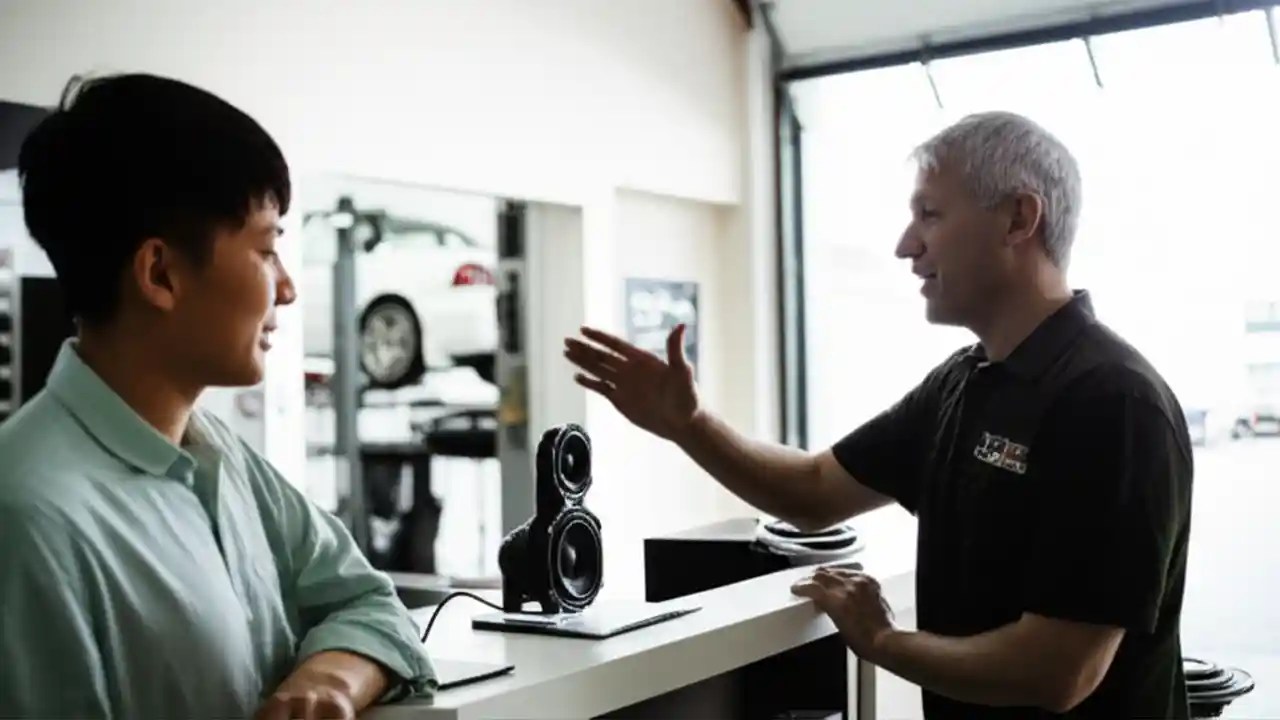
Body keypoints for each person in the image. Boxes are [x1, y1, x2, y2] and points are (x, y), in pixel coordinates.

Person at [564, 111, 1193, 719]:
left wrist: (883, 641)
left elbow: (1058, 673)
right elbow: (812, 489)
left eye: (929, 214)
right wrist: (690, 425)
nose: (905, 245)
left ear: (1018, 219)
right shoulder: (963, 383)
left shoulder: (1112, 403)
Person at [0, 73, 436, 720]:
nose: (286, 289)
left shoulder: (217, 455)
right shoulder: (27, 516)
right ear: (161, 274)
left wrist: (331, 681)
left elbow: (370, 603)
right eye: (266, 250)